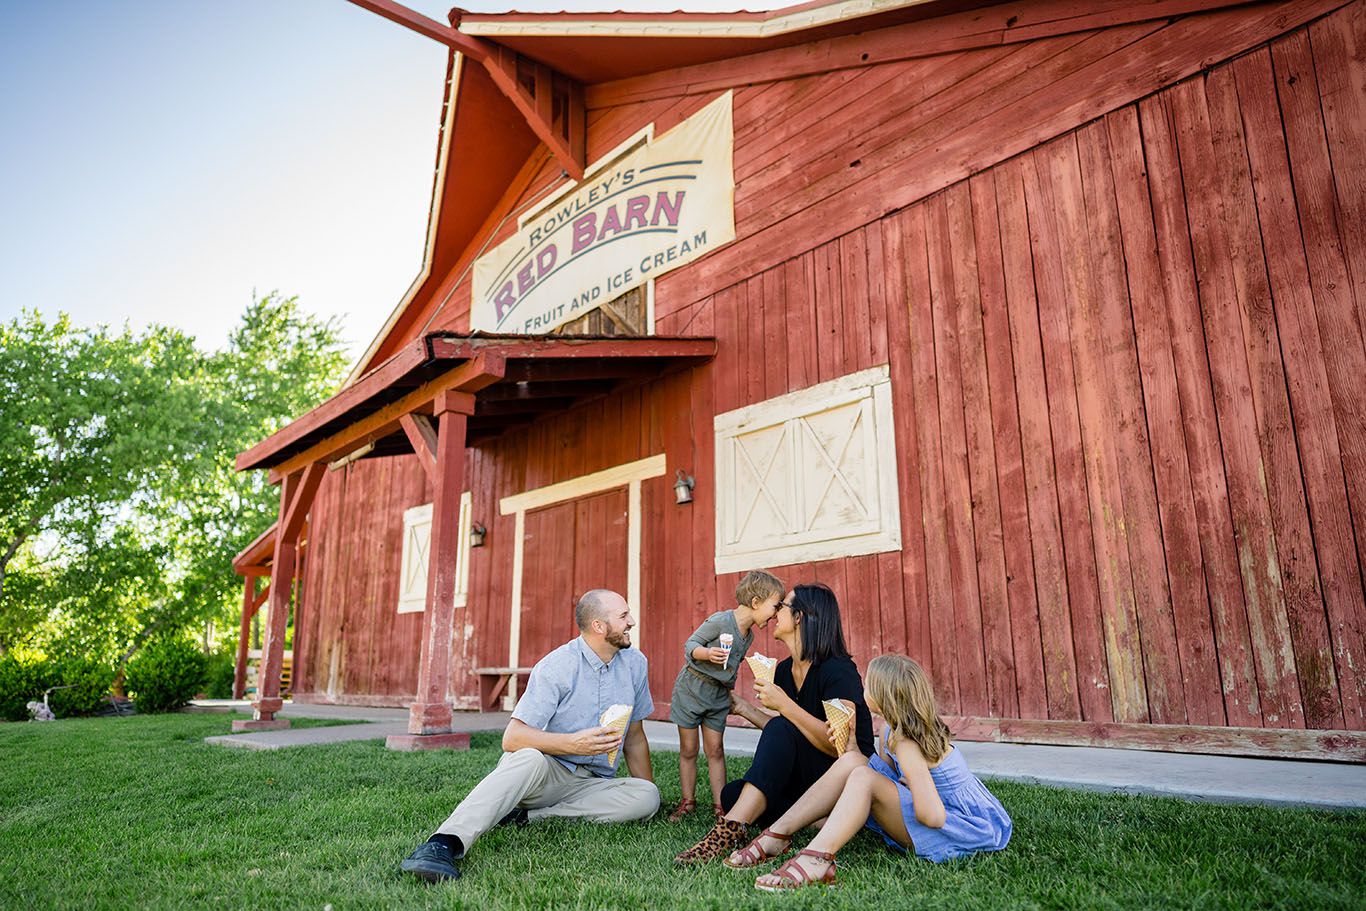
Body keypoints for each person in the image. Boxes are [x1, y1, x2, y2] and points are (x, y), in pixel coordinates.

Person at [400, 589, 659, 883]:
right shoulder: (557, 667)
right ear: (599, 626)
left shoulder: (636, 664)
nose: (632, 622)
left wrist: (645, 787)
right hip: (545, 774)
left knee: (647, 797)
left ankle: (526, 818)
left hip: (593, 784)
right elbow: (512, 738)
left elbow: (635, 737)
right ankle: (442, 843)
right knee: (527, 758)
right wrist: (573, 744)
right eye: (624, 616)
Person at [730, 653, 1012, 891]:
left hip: (956, 827)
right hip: (938, 812)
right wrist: (852, 748)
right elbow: (885, 773)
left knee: (863, 777)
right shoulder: (890, 730)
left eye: (868, 683)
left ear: (882, 696)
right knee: (855, 761)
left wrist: (912, 785)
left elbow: (934, 815)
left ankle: (817, 858)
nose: (862, 687)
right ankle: (777, 834)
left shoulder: (906, 744)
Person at [673, 582, 873, 865]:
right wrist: (743, 708)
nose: (775, 613)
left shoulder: (837, 669)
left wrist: (785, 706)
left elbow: (840, 748)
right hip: (809, 771)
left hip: (843, 774)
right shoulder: (783, 671)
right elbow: (788, 737)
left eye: (782, 607)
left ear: (800, 616)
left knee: (752, 788)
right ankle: (817, 816)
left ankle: (728, 831)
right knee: (733, 794)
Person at [666, 569, 785, 822]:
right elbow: (690, 646)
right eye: (774, 606)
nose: (776, 613)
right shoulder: (720, 621)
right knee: (688, 748)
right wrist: (707, 654)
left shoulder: (748, 635)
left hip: (719, 695)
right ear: (755, 602)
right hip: (692, 688)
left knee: (716, 749)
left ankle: (721, 805)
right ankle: (687, 801)